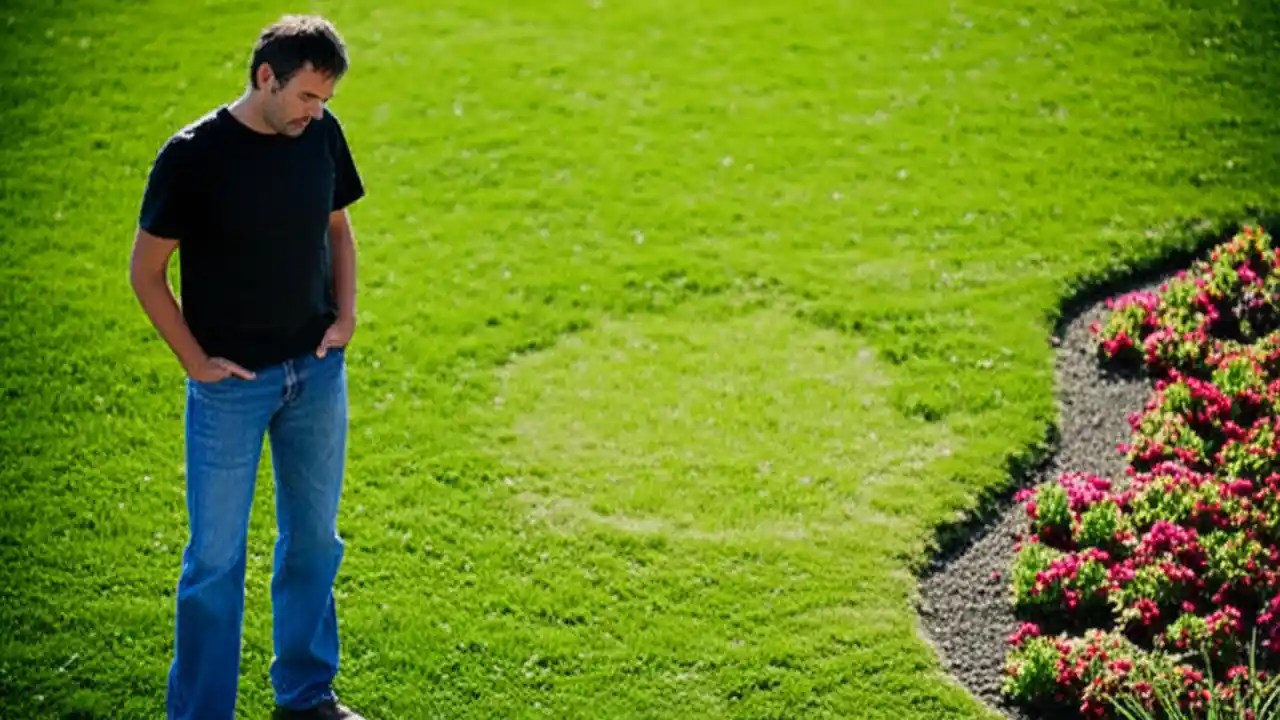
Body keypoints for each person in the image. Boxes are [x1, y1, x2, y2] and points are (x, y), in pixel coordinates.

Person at [129, 14, 367, 720]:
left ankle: (306, 695)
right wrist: (196, 361)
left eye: (324, 100)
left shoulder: (320, 135)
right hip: (230, 390)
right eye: (306, 97)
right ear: (267, 77)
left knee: (314, 543)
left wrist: (346, 316)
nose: (315, 112)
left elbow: (339, 227)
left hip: (314, 372)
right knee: (214, 563)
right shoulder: (193, 157)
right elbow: (146, 272)